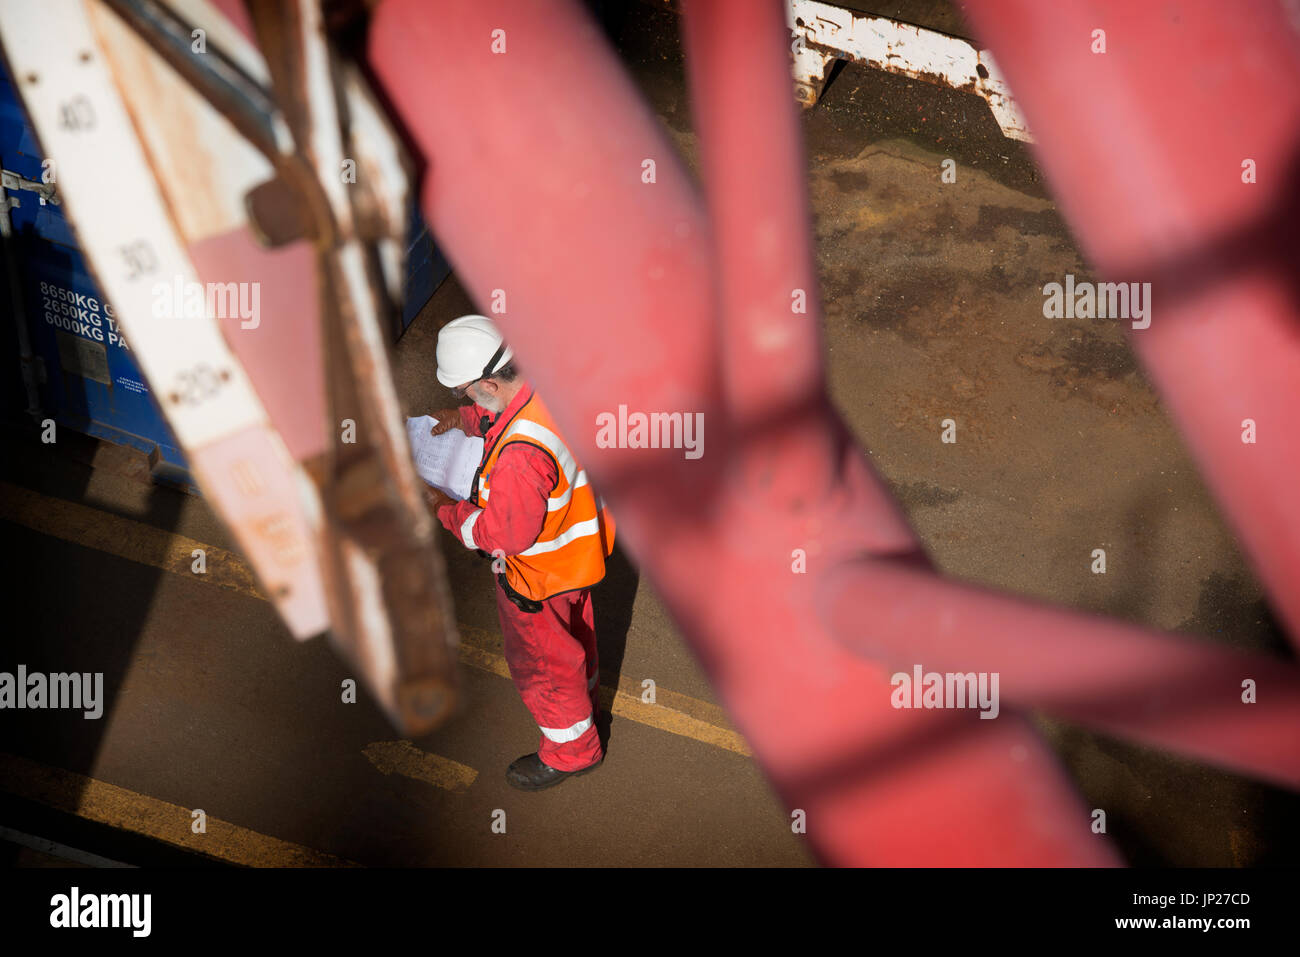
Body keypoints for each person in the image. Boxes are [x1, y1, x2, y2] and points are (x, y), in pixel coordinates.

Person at [424, 314, 615, 791]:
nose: (464, 399)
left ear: (488, 382)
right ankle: (584, 700)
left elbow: (501, 534)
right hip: (579, 559)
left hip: (536, 580)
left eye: (464, 392)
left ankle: (573, 752)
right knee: (576, 645)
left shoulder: (520, 457)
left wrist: (445, 510)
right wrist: (464, 419)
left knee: (544, 670)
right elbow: (506, 412)